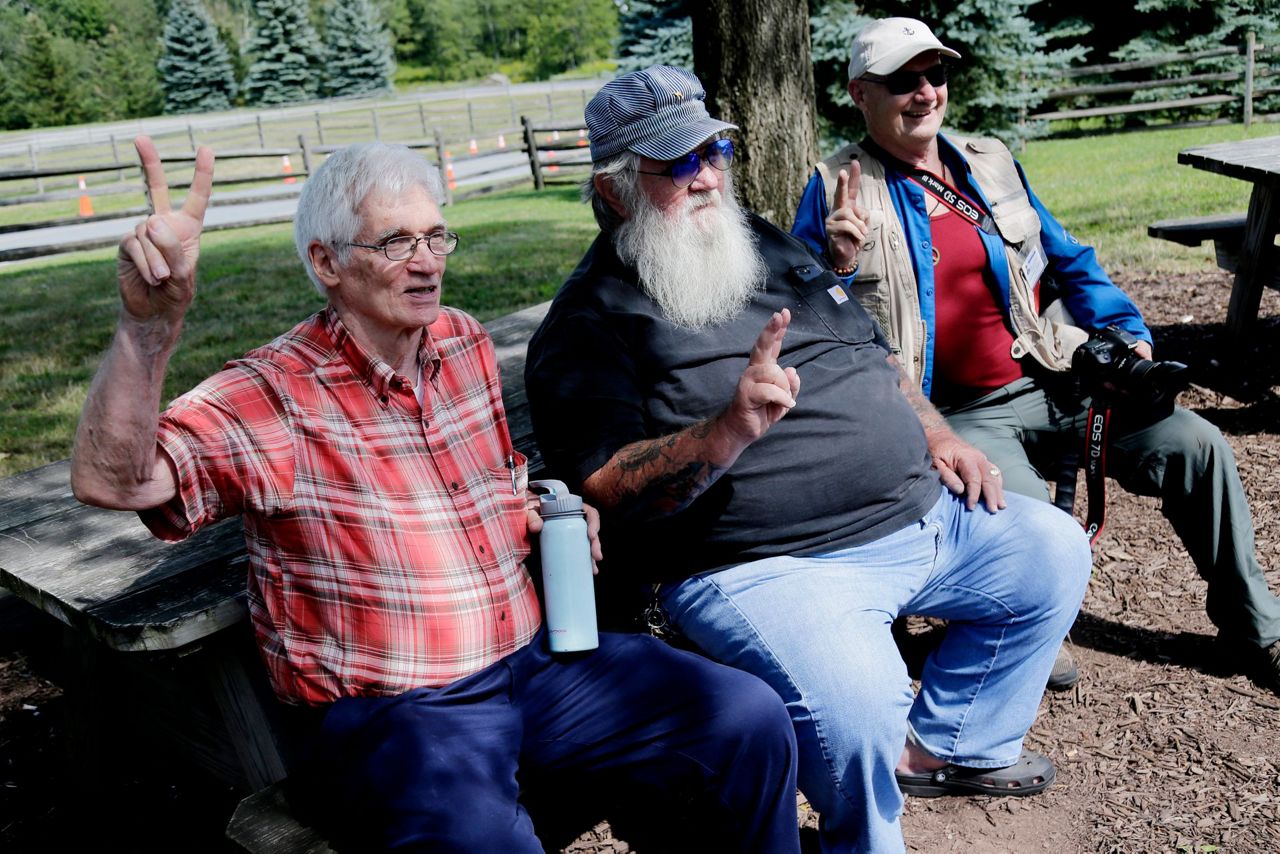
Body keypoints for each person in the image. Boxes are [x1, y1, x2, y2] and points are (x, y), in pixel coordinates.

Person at [69, 137, 802, 853]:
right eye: (394, 244)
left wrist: (542, 508)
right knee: (484, 839)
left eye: (435, 237)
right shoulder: (275, 394)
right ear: (325, 262)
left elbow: (485, 486)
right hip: (402, 716)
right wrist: (147, 325)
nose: (426, 263)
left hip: (536, 669)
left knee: (745, 716)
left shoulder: (460, 342)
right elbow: (115, 480)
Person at [525, 65, 1093, 854]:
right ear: (615, 189)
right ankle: (864, 832)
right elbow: (607, 486)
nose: (707, 177)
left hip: (917, 512)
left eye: (713, 152)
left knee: (1052, 551)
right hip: (766, 566)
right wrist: (725, 428)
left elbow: (875, 353)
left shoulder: (759, 241)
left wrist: (937, 434)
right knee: (860, 713)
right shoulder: (589, 321)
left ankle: (944, 751)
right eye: (678, 163)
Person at [791, 17, 1280, 694]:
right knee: (1028, 530)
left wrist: (1125, 332)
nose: (926, 93)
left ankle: (1259, 632)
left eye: (935, 75)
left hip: (1052, 375)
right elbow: (811, 328)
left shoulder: (987, 162)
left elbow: (1071, 261)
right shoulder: (836, 185)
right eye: (903, 81)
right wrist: (836, 264)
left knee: (1198, 446)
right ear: (859, 94)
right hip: (954, 414)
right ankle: (1020, 623)